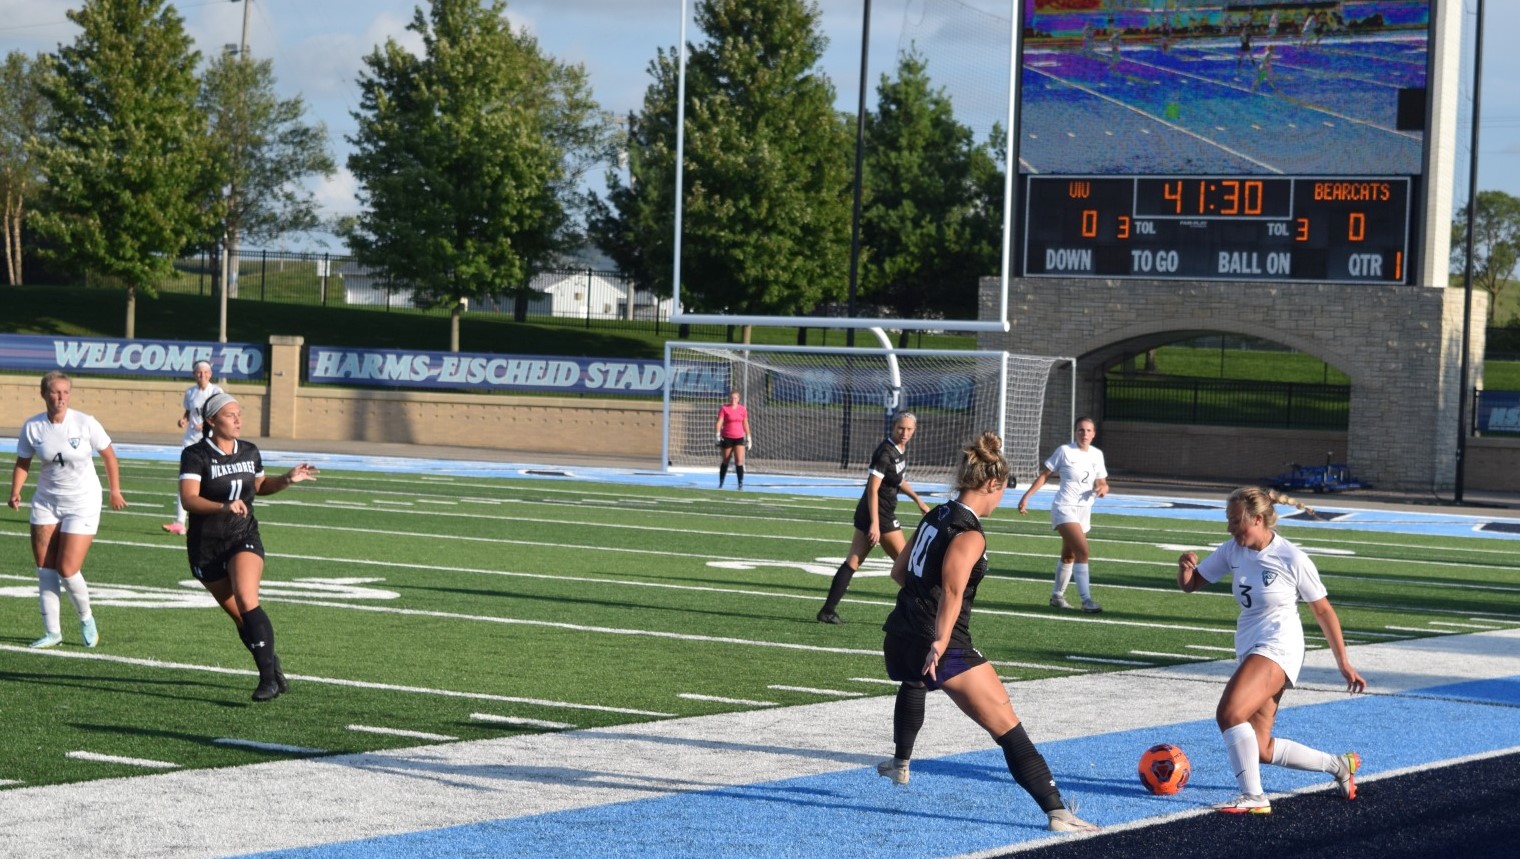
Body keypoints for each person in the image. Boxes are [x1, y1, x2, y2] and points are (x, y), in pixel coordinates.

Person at [875, 432, 1098, 834]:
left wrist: (921, 612)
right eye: (1002, 493)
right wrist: (941, 641)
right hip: (940, 643)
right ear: (992, 485)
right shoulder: (970, 532)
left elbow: (898, 572)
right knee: (1006, 723)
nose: (1001, 502)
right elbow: (955, 589)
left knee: (913, 681)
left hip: (899, 633)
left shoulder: (935, 514)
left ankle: (900, 762)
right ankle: (1058, 813)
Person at [1176, 487, 1365, 814]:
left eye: (1236, 521)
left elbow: (1323, 611)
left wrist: (1344, 663)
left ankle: (1254, 797)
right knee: (1260, 747)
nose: (1230, 528)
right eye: (1229, 521)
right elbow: (1192, 584)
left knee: (1229, 713)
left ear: (1258, 519)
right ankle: (1339, 765)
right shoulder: (1233, 550)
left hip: (1280, 645)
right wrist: (1185, 568)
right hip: (1251, 646)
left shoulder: (1291, 557)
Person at [180, 391, 318, 701]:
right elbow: (188, 498)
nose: (238, 419)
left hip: (243, 535)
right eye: (230, 415)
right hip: (205, 546)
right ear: (212, 421)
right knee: (241, 618)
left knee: (247, 600)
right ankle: (273, 666)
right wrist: (223, 506)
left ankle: (267, 680)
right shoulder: (196, 454)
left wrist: (286, 479)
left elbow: (259, 486)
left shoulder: (250, 451)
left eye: (239, 413)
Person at [8, 371, 127, 648]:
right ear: (44, 394)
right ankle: (52, 632)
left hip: (83, 501)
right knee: (45, 569)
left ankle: (86, 618)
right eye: (55, 392)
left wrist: (115, 490)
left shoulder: (85, 423)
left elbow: (109, 456)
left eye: (65, 392)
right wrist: (15, 491)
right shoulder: (33, 427)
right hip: (46, 502)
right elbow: (23, 462)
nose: (60, 397)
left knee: (67, 568)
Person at [817, 412, 931, 625]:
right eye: (900, 428)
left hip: (875, 514)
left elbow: (898, 480)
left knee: (853, 561)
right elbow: (872, 488)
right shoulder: (885, 452)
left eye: (909, 429)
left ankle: (827, 610)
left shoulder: (900, 449)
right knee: (906, 564)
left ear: (914, 430)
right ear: (893, 426)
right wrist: (875, 524)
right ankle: (922, 613)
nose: (904, 433)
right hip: (879, 515)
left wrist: (917, 499)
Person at [1017, 416, 1109, 613]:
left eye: (1088, 430)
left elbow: (1102, 482)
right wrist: (1026, 496)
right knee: (1082, 551)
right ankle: (1086, 601)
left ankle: (1057, 597)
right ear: (1075, 432)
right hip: (1064, 508)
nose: (1084, 434)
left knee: (1069, 555)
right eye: (1081, 430)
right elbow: (1045, 475)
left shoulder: (1096, 455)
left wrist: (1103, 488)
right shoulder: (1065, 451)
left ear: (1094, 434)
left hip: (1084, 511)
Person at [163, 359, 223, 535]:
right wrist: (184, 419)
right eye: (199, 372)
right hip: (190, 441)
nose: (202, 375)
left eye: (205, 372)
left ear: (210, 374)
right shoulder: (190, 392)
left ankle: (213, 522)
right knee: (185, 481)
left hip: (209, 441)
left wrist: (206, 424)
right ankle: (180, 522)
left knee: (210, 482)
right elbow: (190, 410)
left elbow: (220, 414)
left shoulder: (216, 391)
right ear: (194, 374)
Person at [714, 389, 751, 489]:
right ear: (729, 398)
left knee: (739, 460)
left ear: (738, 399)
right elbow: (719, 422)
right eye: (731, 397)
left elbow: (745, 423)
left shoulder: (742, 409)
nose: (733, 399)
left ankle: (740, 484)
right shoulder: (724, 408)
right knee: (725, 460)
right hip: (727, 437)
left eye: (735, 398)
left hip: (739, 437)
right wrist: (717, 435)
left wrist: (748, 437)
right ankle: (721, 482)